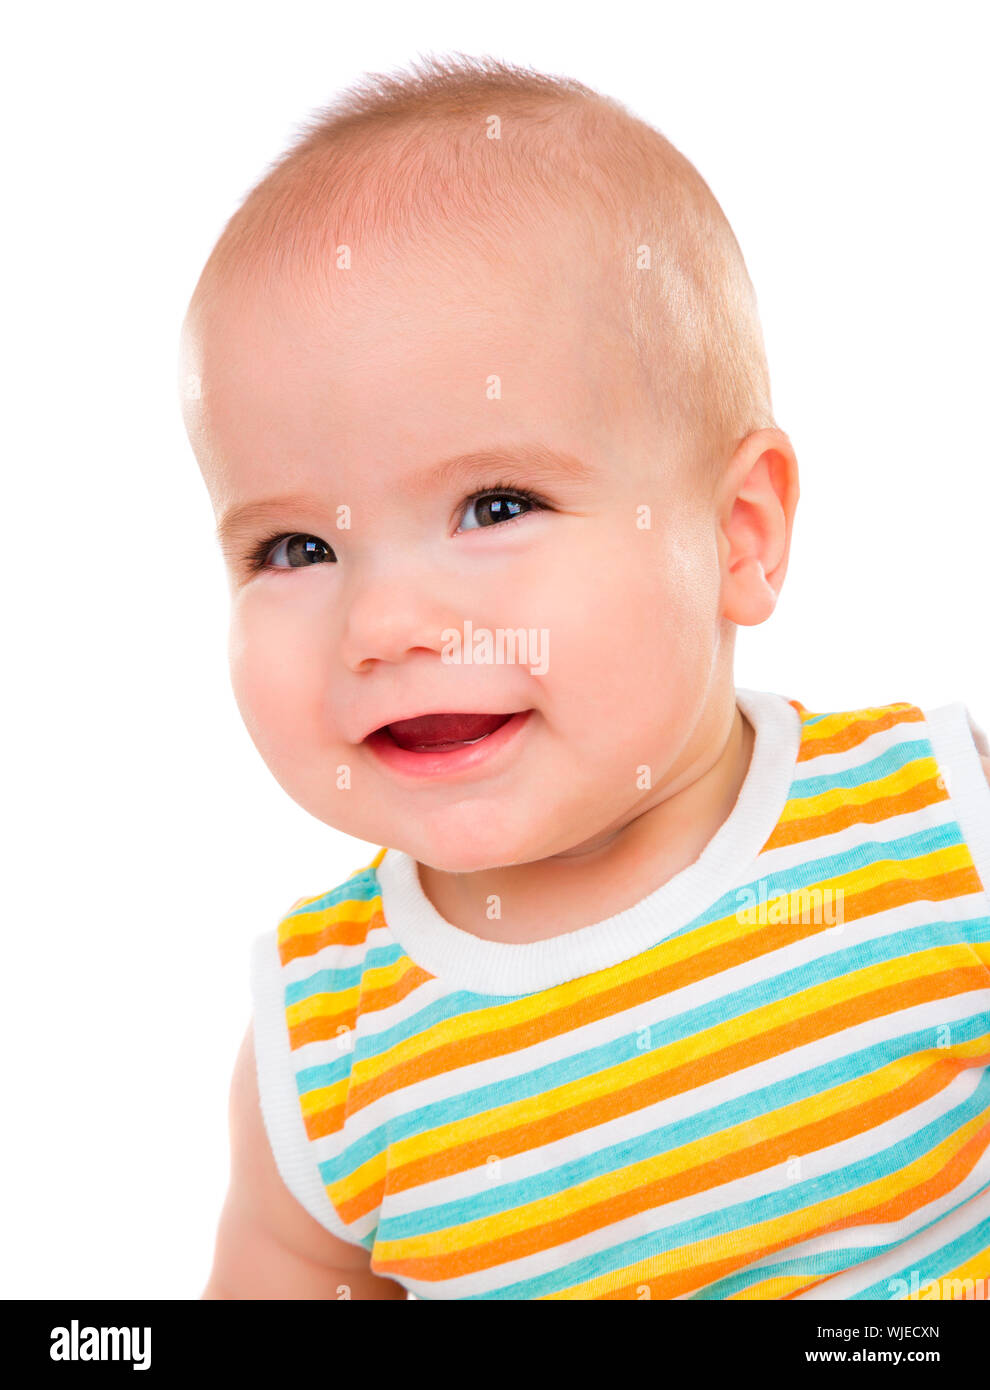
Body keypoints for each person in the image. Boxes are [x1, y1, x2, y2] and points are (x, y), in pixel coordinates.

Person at [178, 53, 990, 1300]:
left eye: (496, 504)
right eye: (297, 545)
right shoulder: (329, 1039)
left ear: (738, 535)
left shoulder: (938, 825)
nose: (384, 620)